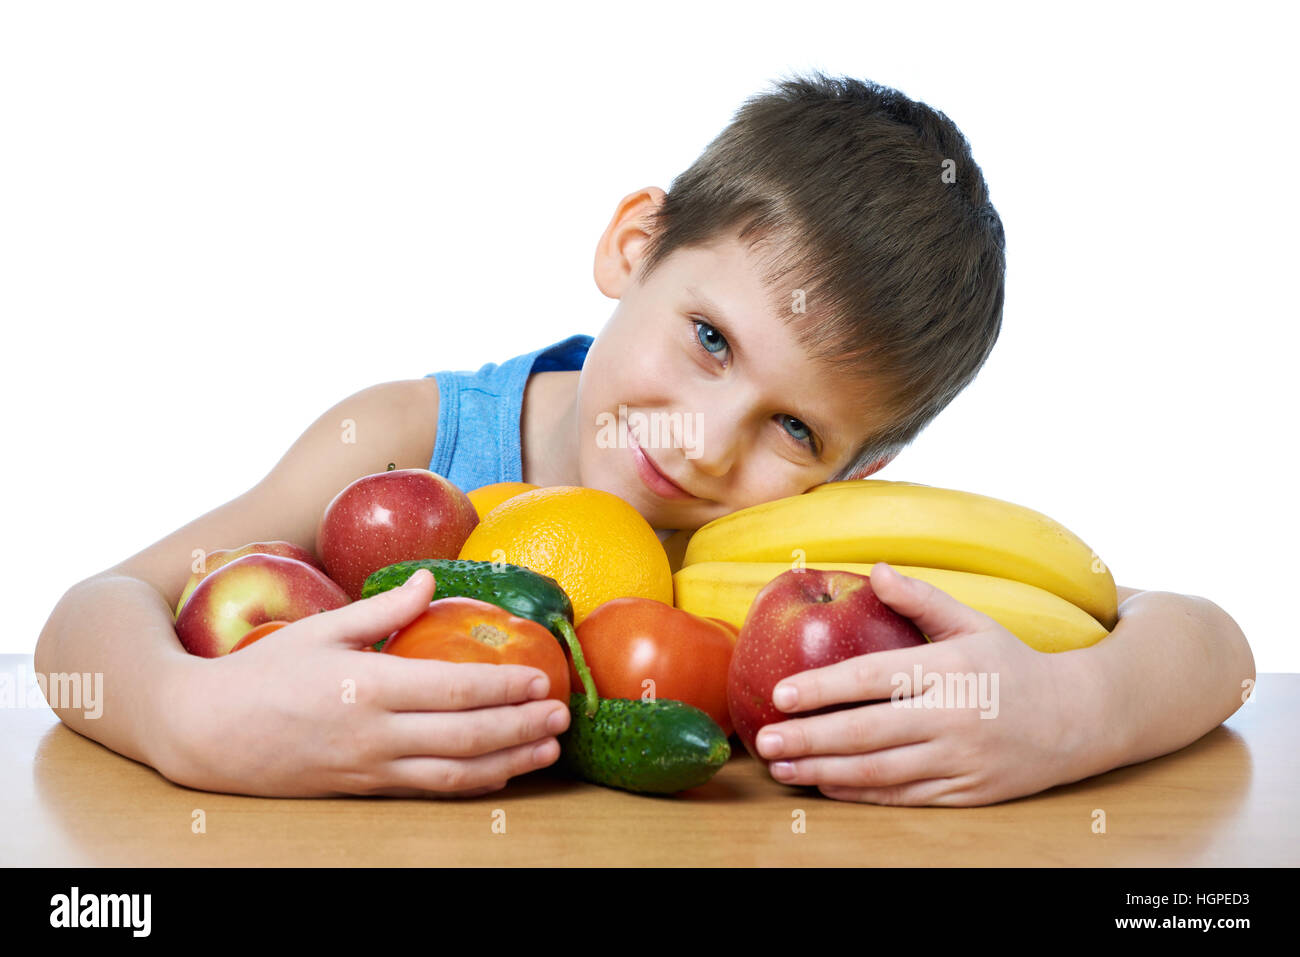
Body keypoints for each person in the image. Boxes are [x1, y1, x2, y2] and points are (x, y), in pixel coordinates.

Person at [34, 72, 1254, 806]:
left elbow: (1206, 645)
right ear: (634, 248)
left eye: (794, 426)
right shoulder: (410, 446)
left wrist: (1076, 712)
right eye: (710, 339)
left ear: (858, 474)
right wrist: (187, 723)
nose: (709, 442)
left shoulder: (812, 564)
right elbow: (90, 614)